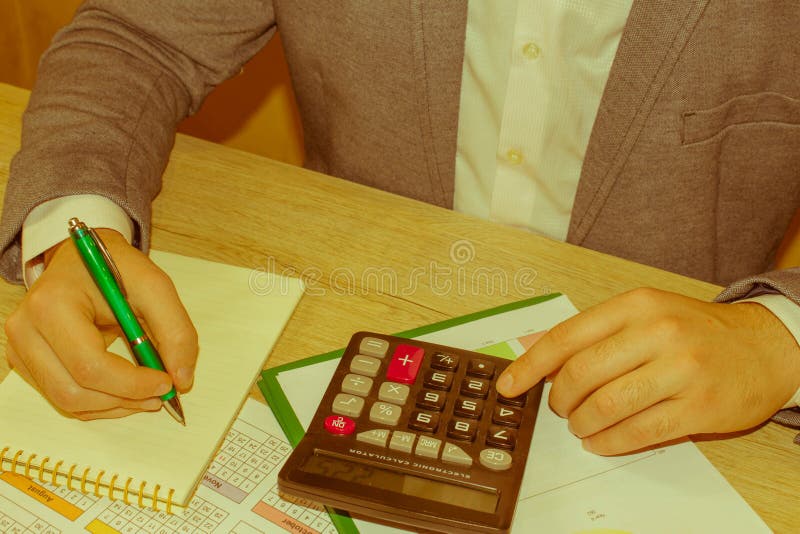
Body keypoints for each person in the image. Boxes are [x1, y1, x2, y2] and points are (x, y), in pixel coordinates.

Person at [1, 1, 798, 454]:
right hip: (341, 320)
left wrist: (779, 340)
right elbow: (139, 36)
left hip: (679, 409)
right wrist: (78, 226)